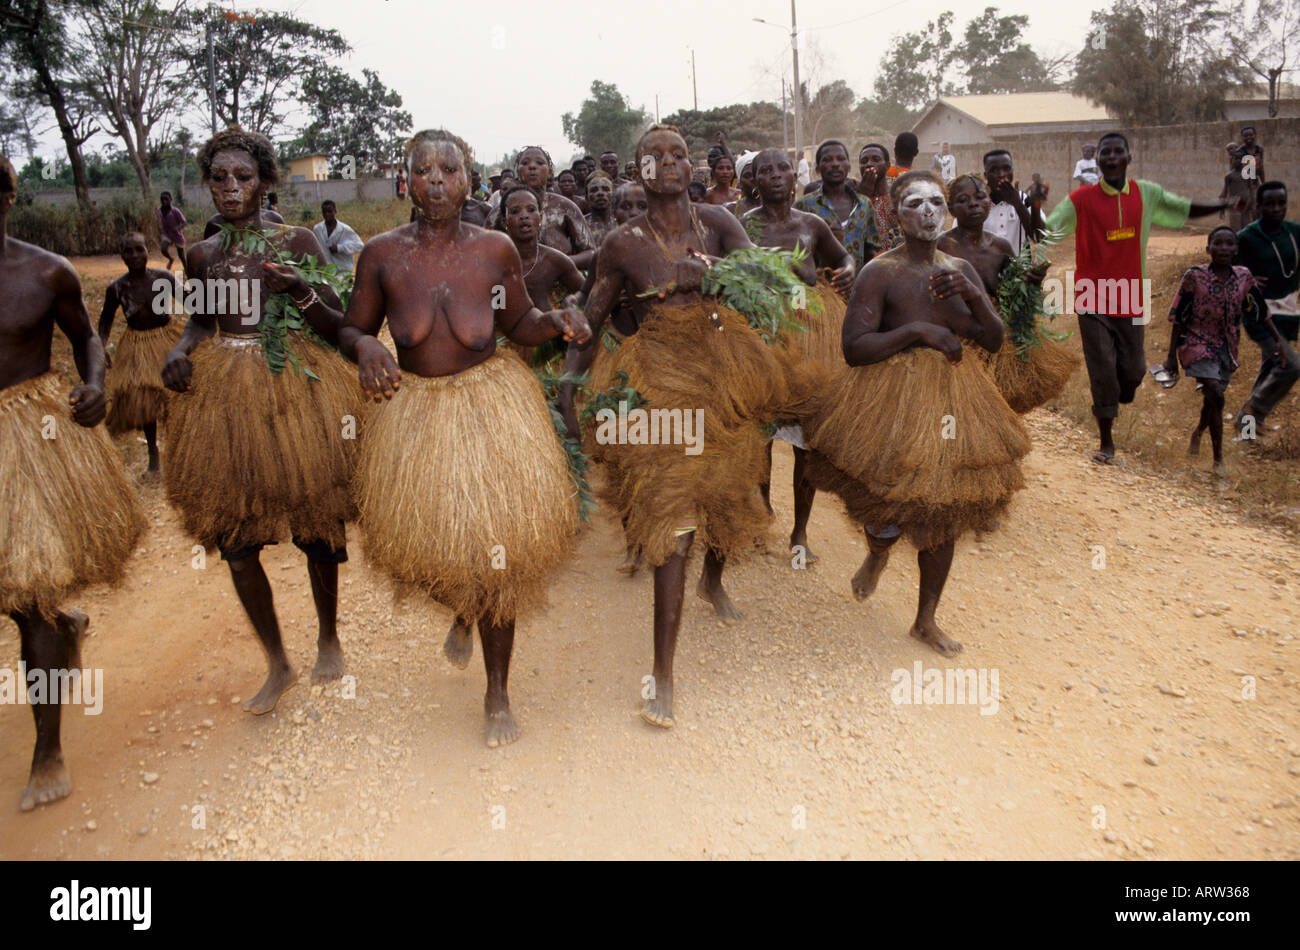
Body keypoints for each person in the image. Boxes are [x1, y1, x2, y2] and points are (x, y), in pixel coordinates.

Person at [339, 129, 589, 747]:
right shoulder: (381, 255)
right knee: (423, 553)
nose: (436, 182)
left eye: (448, 170)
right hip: (415, 419)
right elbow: (350, 330)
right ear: (407, 181)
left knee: (497, 560)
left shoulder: (496, 250)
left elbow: (521, 322)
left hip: (490, 413)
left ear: (469, 179)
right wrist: (367, 343)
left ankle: (497, 691)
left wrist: (556, 322)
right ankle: (460, 604)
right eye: (422, 171)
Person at [557, 125, 786, 728]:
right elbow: (589, 319)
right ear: (638, 171)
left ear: (694, 166)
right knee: (675, 518)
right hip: (660, 389)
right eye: (654, 157)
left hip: (723, 379)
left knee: (729, 499)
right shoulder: (622, 244)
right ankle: (663, 673)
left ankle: (715, 581)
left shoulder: (718, 224)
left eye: (678, 154)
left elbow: (768, 287)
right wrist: (566, 392)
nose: (668, 163)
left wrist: (710, 273)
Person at [161, 127, 361, 715]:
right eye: (219, 178)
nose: (229, 188)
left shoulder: (297, 241)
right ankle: (276, 659)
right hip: (227, 394)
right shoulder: (201, 255)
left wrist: (298, 288)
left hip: (297, 387)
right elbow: (201, 323)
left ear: (265, 182)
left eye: (242, 177)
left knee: (318, 523)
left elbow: (336, 319)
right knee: (235, 540)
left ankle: (328, 635)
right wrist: (180, 351)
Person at [801, 170, 1029, 657]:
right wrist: (919, 332)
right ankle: (878, 553)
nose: (927, 212)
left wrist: (972, 299)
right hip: (891, 401)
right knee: (885, 504)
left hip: (955, 399)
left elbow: (993, 339)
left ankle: (925, 620)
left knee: (943, 508)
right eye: (914, 204)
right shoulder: (879, 272)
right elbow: (855, 348)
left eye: (934, 202)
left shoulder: (960, 270)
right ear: (897, 217)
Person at [0, 153, 145, 811]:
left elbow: (89, 338)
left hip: (27, 441)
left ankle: (48, 750)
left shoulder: (44, 271)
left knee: (30, 592)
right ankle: (66, 623)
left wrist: (94, 385)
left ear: (7, 198)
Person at [1044, 131, 1241, 464]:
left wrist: (1222, 205)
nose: (1110, 157)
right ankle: (1106, 442)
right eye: (1105, 152)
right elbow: (1049, 229)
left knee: (1133, 372)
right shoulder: (1080, 199)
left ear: (1128, 158)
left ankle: (1118, 395)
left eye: (1117, 152)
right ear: (1098, 159)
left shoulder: (1146, 193)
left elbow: (1183, 209)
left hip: (1134, 296)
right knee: (1103, 369)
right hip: (1091, 297)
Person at [743, 147, 854, 563]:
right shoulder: (743, 226)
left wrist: (848, 270)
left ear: (794, 176)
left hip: (809, 343)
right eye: (764, 171)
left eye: (781, 169)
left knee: (806, 441)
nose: (774, 176)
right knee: (760, 438)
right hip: (760, 343)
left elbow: (842, 257)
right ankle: (761, 516)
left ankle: (800, 532)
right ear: (753, 180)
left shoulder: (812, 225)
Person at [938, 175, 1078, 414]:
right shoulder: (942, 246)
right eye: (964, 200)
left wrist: (1031, 281)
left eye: (980, 197)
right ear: (951, 209)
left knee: (996, 403)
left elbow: (1015, 288)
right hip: (957, 332)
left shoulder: (1000, 246)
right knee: (959, 404)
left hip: (995, 331)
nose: (974, 204)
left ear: (988, 203)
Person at [1160, 227, 1267, 476]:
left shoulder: (1243, 277)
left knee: (1212, 401)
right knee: (1217, 396)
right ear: (1208, 249)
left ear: (1236, 249)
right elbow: (1177, 317)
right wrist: (1170, 357)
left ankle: (1197, 433)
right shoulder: (1194, 277)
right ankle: (1218, 461)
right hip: (1196, 344)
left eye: (1229, 244)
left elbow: (1261, 310)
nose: (1224, 248)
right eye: (1218, 243)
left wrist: (1278, 342)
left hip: (1227, 349)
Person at [97, 231, 182, 472]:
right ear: (122, 256)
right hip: (138, 347)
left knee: (174, 396)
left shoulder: (163, 278)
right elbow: (105, 321)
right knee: (146, 401)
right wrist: (101, 345)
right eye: (128, 251)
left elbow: (192, 300)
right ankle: (153, 453)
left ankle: (177, 449)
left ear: (148, 251)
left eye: (139, 249)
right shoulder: (117, 288)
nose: (134, 255)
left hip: (167, 338)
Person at [1234, 180, 1300, 433]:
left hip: (1289, 311)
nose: (1276, 208)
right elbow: (1227, 267)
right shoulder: (1247, 237)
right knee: (1291, 365)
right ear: (1259, 206)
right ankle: (1256, 410)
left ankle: (1247, 429)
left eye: (1281, 203)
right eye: (1269, 204)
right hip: (1260, 314)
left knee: (1272, 367)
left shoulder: (1294, 232)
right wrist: (1245, 277)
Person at [490, 146, 593, 268]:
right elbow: (482, 253)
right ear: (518, 172)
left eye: (539, 162)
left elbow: (590, 253)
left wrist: (558, 265)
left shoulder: (565, 207)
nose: (532, 167)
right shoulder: (501, 212)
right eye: (525, 163)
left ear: (549, 172)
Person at [794, 140, 881, 270]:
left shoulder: (864, 204)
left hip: (857, 287)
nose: (835, 164)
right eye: (828, 160)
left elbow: (870, 249)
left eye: (841, 159)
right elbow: (795, 252)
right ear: (818, 168)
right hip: (819, 288)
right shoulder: (803, 206)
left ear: (849, 166)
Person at [503, 184, 584, 314]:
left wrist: (573, 300)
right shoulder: (496, 265)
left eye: (531, 209)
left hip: (552, 331)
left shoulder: (554, 260)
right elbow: (496, 307)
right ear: (504, 221)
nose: (524, 216)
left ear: (540, 218)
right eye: (515, 211)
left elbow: (586, 292)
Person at [982, 149, 1045, 256]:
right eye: (994, 170)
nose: (1001, 174)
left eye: (1006, 168)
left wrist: (1018, 204)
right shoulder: (977, 203)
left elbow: (1038, 237)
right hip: (986, 272)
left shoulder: (1024, 199)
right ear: (985, 175)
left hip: (1018, 271)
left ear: (1012, 171)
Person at [858, 143, 903, 251]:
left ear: (887, 165)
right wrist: (863, 195)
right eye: (864, 161)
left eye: (876, 159)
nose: (869, 164)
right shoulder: (852, 197)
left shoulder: (900, 195)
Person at [311, 200, 365, 272]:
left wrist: (339, 248)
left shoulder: (345, 229)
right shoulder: (317, 229)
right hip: (325, 271)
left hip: (342, 270)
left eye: (330, 211)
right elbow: (314, 248)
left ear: (335, 211)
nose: (327, 214)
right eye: (324, 212)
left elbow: (359, 246)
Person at [1219, 144, 1255, 232]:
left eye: (1240, 159)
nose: (1238, 161)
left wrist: (1252, 202)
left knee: (1246, 227)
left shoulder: (1247, 174)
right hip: (1234, 203)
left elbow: (1251, 188)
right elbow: (1224, 192)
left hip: (1245, 202)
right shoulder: (1229, 176)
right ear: (1232, 160)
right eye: (1236, 159)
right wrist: (1221, 208)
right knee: (1236, 228)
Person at [584, 172, 616, 249]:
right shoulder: (580, 225)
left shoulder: (623, 222)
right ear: (586, 197)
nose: (600, 193)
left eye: (606, 189)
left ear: (614, 194)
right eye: (594, 190)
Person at [158, 190, 187, 271]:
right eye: (162, 200)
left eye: (166, 199)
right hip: (166, 233)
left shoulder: (175, 211)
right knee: (163, 249)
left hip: (177, 235)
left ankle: (187, 270)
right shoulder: (159, 210)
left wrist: (177, 228)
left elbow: (184, 222)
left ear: (170, 199)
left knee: (181, 256)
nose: (164, 202)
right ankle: (171, 259)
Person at [728, 150, 762, 218]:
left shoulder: (780, 207)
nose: (753, 179)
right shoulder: (730, 210)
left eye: (756, 173)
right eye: (747, 176)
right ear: (740, 183)